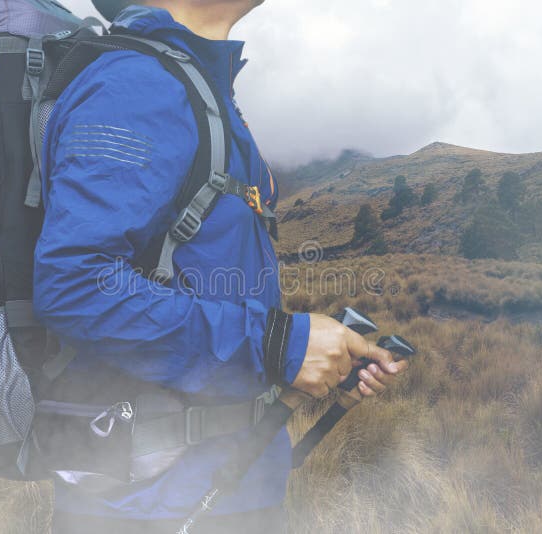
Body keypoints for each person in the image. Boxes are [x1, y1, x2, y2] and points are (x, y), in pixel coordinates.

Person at [34, 1, 409, 532]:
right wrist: (275, 344)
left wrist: (303, 361)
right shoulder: (137, 84)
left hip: (228, 489)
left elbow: (200, 288)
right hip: (147, 506)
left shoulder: (201, 89)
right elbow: (75, 285)